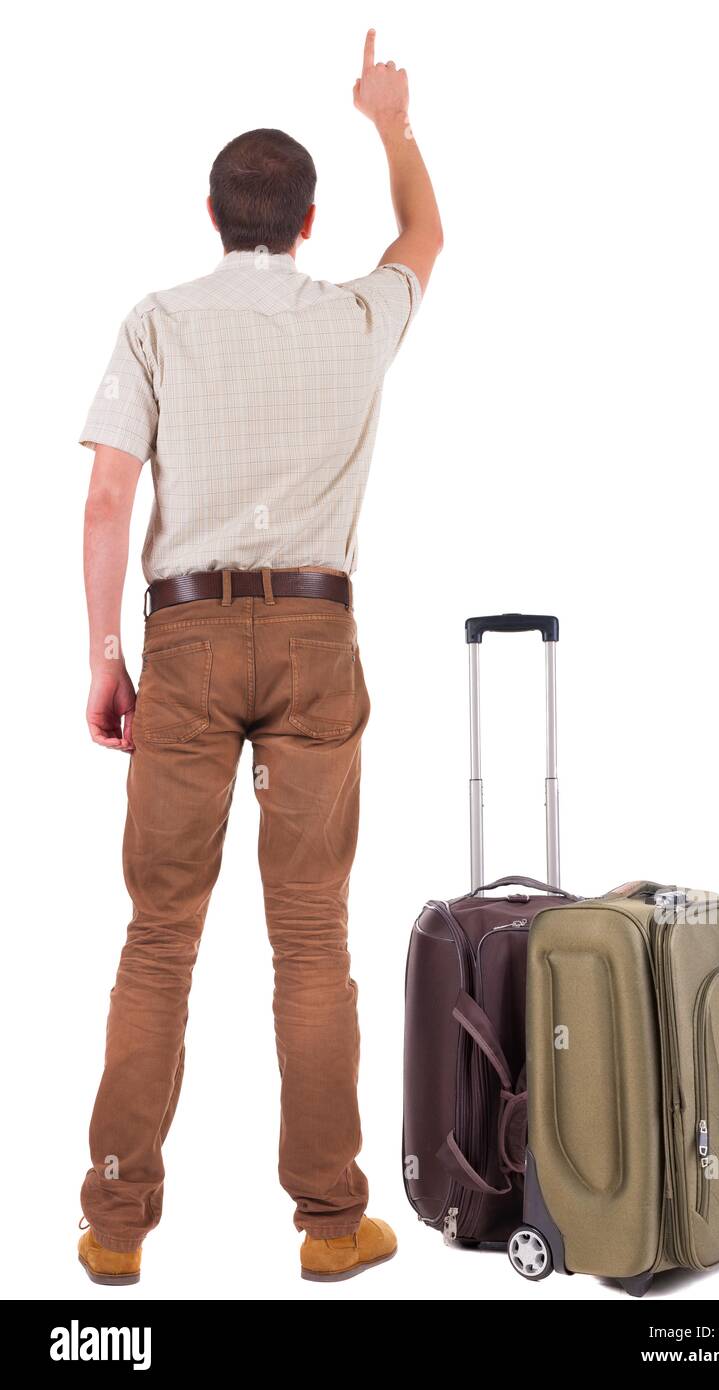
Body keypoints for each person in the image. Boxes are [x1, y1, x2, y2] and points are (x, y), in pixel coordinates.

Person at [76, 28, 442, 1286]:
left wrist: (103, 654)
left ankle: (117, 1228)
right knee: (311, 940)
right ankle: (333, 1223)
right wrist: (388, 117)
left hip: (177, 637)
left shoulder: (157, 321)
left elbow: (107, 503)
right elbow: (425, 242)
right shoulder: (353, 315)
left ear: (213, 216)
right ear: (305, 220)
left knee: (158, 939)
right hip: (312, 635)